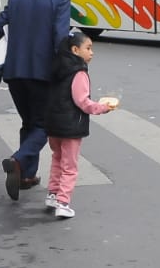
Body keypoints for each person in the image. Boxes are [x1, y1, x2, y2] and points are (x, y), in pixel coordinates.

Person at [0, 0, 72, 201]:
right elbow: (60, 38)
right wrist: (69, 68)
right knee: (44, 125)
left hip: (14, 73)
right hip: (43, 73)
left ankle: (26, 175)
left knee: (29, 122)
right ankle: (18, 160)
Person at [44, 29, 119, 219]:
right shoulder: (79, 73)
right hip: (70, 126)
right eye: (88, 48)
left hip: (53, 123)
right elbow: (82, 102)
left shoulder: (57, 67)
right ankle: (63, 202)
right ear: (75, 50)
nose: (92, 52)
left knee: (57, 159)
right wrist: (103, 107)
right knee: (70, 166)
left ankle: (53, 194)